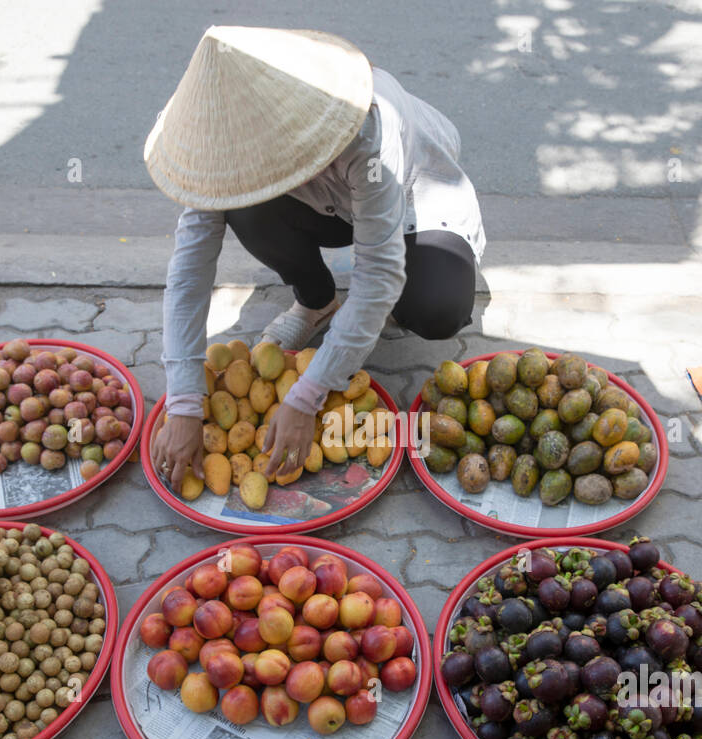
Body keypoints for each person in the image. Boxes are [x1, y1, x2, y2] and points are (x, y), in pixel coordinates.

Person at [144, 26, 486, 487]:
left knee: (433, 307)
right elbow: (190, 268)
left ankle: (369, 321)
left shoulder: (365, 128)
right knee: (244, 209)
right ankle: (317, 300)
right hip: (323, 202)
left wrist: (306, 397)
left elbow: (378, 273)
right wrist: (184, 399)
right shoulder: (221, 145)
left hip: (410, 202)